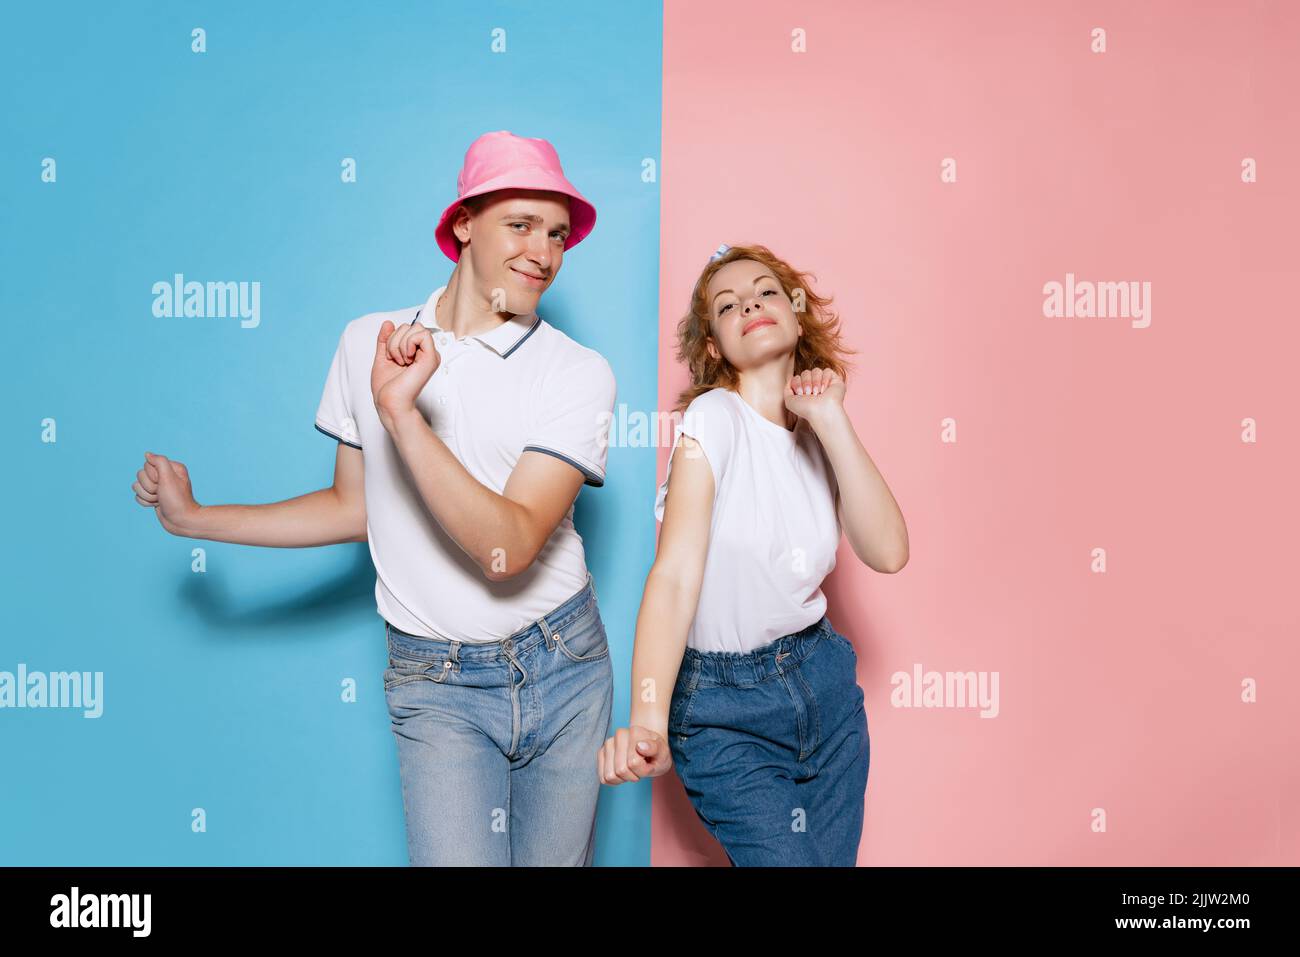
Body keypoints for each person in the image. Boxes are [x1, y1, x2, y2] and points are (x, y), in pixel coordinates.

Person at [132, 131, 618, 866]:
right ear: (464, 223)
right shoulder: (370, 341)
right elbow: (353, 506)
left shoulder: (577, 372)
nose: (544, 253)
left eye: (556, 234)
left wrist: (402, 415)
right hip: (437, 683)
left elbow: (509, 547)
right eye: (520, 224)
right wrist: (196, 518)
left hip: (563, 662)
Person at [597, 242, 908, 866]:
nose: (751, 305)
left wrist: (832, 418)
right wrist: (649, 719)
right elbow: (676, 574)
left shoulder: (822, 433)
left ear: (796, 316)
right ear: (714, 347)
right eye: (729, 305)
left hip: (825, 691)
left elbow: (889, 552)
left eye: (766, 292)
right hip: (723, 711)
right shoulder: (712, 420)